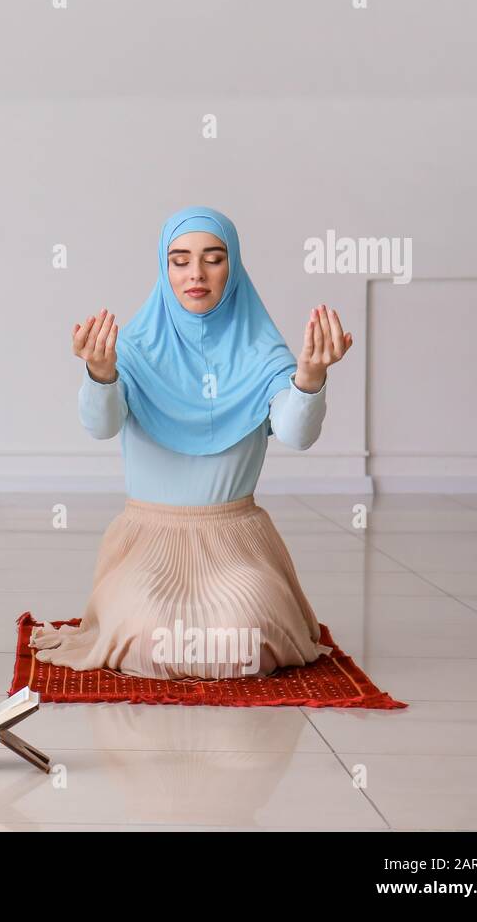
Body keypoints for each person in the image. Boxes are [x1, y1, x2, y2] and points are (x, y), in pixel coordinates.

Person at [30, 205, 352, 679]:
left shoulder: (263, 353)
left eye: (213, 258)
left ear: (234, 267)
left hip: (236, 544)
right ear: (164, 269)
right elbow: (101, 426)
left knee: (247, 640)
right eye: (179, 260)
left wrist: (309, 378)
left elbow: (297, 433)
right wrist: (100, 374)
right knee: (146, 638)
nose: (195, 274)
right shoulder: (133, 349)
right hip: (147, 543)